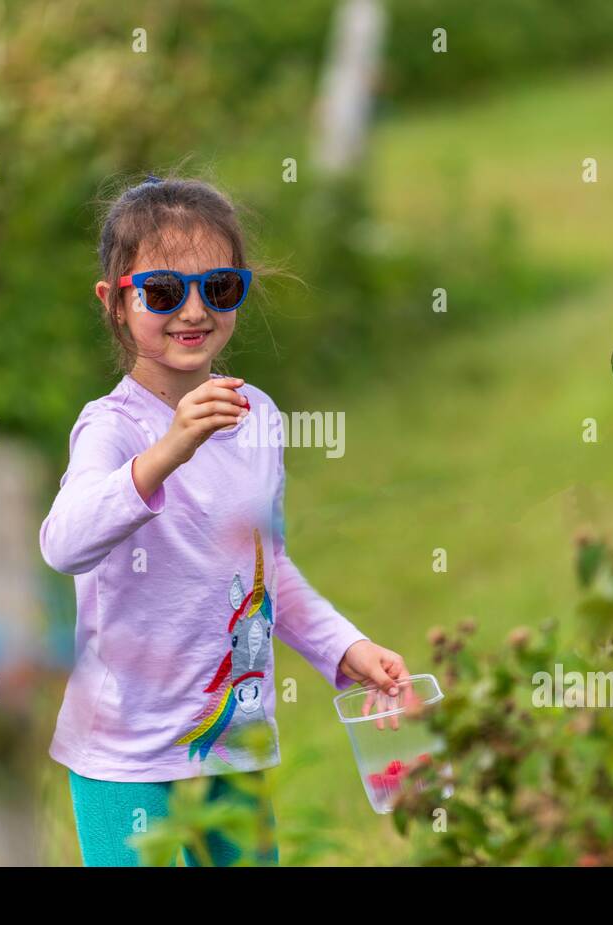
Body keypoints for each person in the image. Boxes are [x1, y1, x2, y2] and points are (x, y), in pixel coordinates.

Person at [39, 174, 410, 866]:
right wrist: (169, 451)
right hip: (128, 755)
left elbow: (263, 568)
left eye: (220, 286)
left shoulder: (257, 416)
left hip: (231, 743)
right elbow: (63, 543)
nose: (193, 309)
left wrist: (342, 647)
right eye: (162, 291)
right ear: (115, 304)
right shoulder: (111, 430)